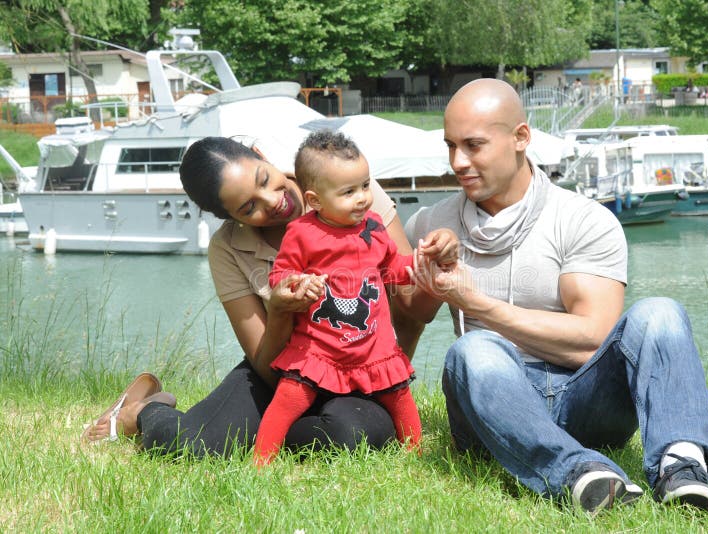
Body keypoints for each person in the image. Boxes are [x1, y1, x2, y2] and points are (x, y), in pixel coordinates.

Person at [403, 78, 708, 515]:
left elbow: (592, 340)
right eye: (450, 146)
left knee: (660, 314)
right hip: (493, 406)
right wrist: (431, 275)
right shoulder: (431, 223)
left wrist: (475, 303)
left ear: (521, 138)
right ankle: (579, 474)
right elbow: (406, 318)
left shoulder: (584, 220)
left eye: (474, 145)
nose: (457, 162)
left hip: (587, 403)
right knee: (471, 348)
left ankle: (682, 465)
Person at [82, 135, 450, 459]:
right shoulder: (226, 249)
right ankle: (142, 411)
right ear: (230, 219)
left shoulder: (351, 188)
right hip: (283, 370)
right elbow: (263, 363)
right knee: (196, 444)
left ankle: (265, 433)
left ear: (263, 155)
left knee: (353, 433)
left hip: (358, 366)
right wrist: (278, 312)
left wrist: (435, 266)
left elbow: (411, 306)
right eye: (248, 207)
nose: (272, 201)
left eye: (265, 179)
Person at [253, 131, 458, 465]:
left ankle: (417, 456)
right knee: (289, 396)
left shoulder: (374, 226)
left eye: (365, 185)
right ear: (315, 200)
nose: (362, 198)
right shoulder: (302, 233)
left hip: (373, 346)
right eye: (348, 192)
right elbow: (280, 275)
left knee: (400, 397)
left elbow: (393, 269)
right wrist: (295, 284)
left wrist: (424, 262)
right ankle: (261, 461)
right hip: (318, 346)